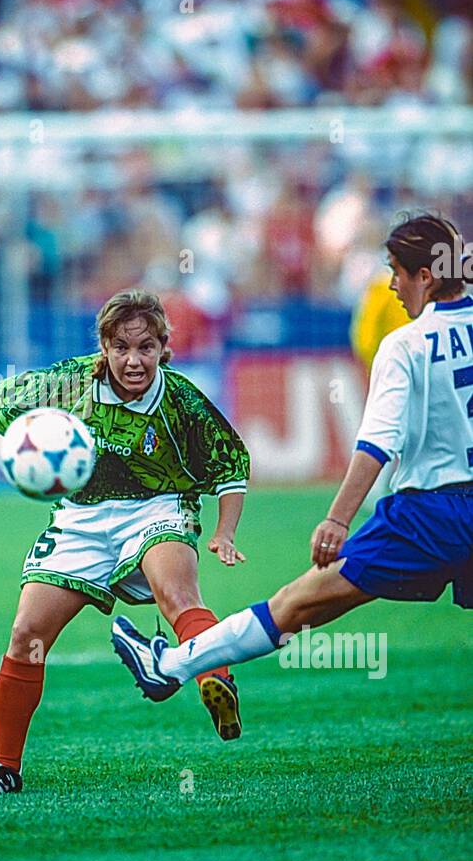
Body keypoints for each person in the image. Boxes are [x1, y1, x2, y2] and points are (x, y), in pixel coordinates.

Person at [111, 217, 472, 703]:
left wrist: (337, 519)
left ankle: (170, 664)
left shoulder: (406, 344)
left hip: (430, 516)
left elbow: (376, 442)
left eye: (396, 271)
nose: (391, 283)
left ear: (424, 277)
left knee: (300, 602)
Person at [0, 289, 250, 794]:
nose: (133, 360)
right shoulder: (70, 383)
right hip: (81, 517)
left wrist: (224, 533)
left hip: (157, 507)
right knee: (26, 634)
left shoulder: (182, 401)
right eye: (120, 347)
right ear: (103, 346)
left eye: (145, 347)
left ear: (164, 347)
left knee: (178, 594)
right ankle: (4, 767)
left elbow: (232, 466)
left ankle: (215, 677)